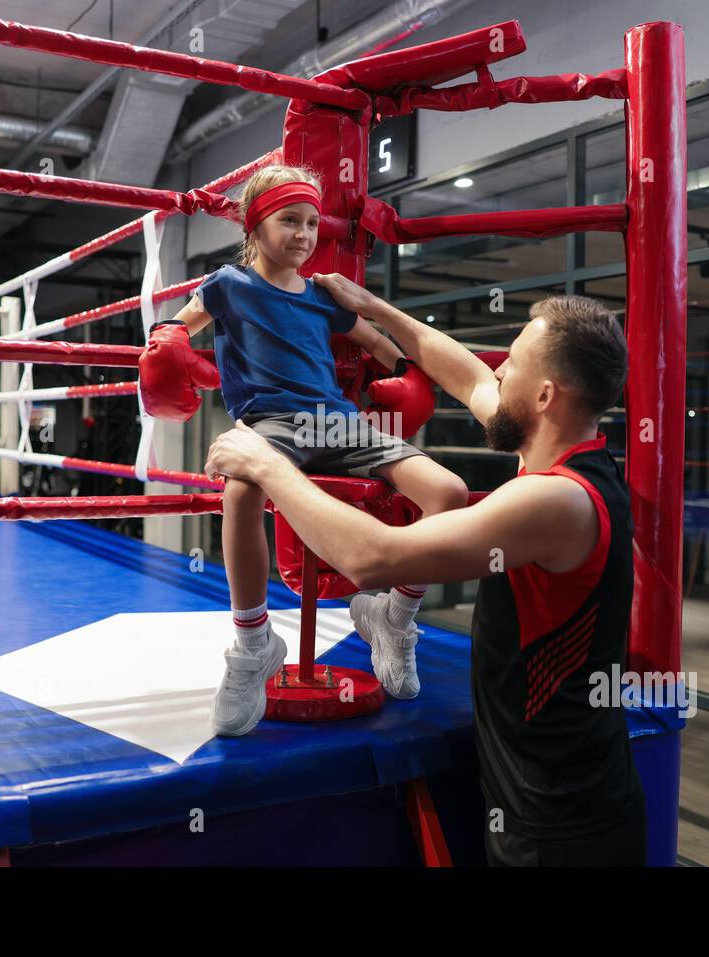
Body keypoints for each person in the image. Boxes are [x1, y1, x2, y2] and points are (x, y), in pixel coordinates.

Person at [205, 274, 646, 866]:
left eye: (511, 365)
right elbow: (465, 375)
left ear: (545, 397)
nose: (498, 374)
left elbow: (374, 558)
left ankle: (386, 621)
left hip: (563, 826)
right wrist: (372, 308)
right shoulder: (568, 449)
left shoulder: (556, 500)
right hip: (548, 798)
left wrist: (268, 467)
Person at [139, 165, 469, 736]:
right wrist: (167, 343)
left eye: (313, 223)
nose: (304, 234)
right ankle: (252, 643)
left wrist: (407, 375)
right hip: (268, 424)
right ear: (256, 224)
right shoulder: (229, 284)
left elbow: (376, 343)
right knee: (240, 492)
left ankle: (395, 617)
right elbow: (176, 326)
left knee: (449, 491)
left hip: (337, 423)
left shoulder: (322, 296)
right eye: (289, 220)